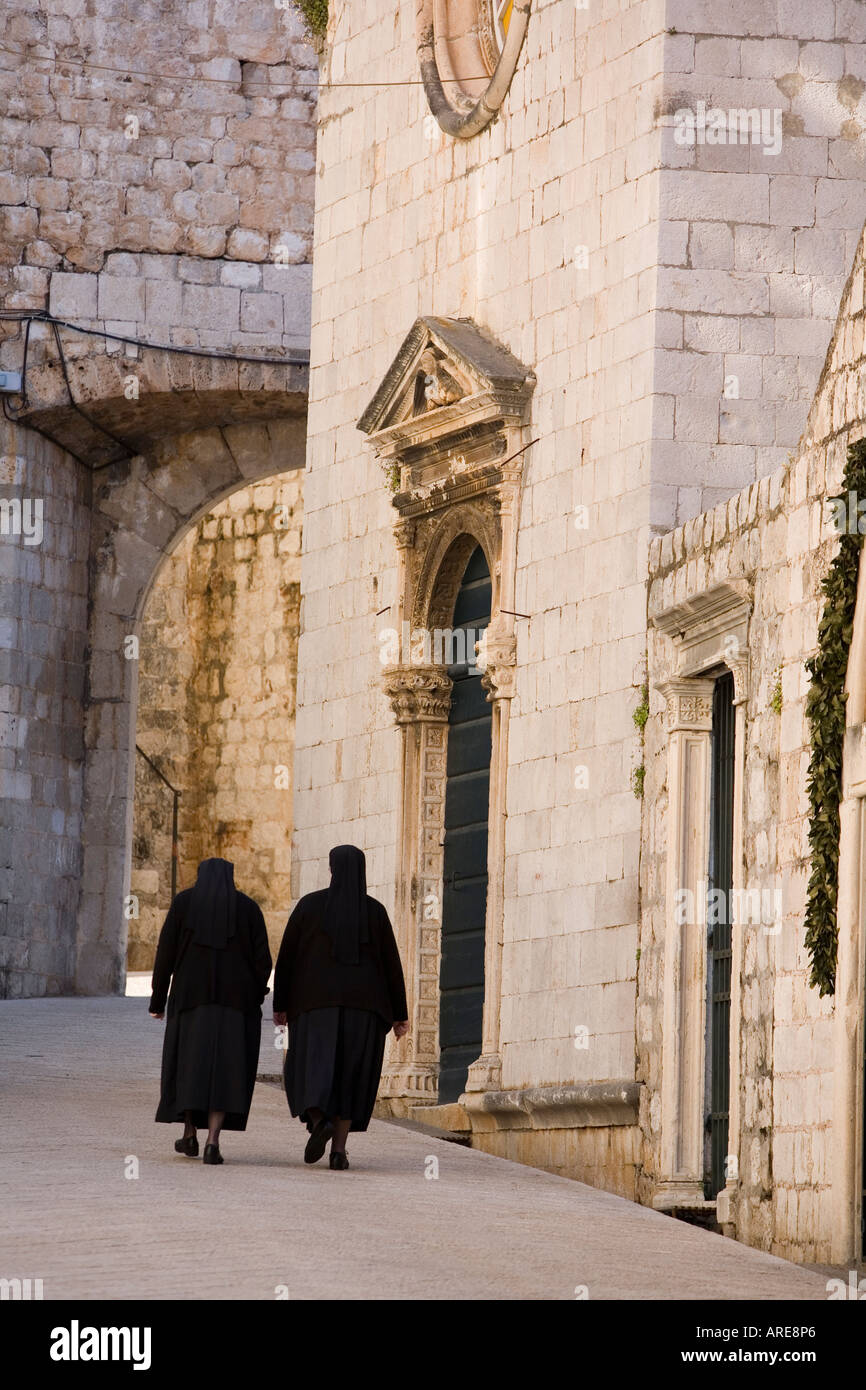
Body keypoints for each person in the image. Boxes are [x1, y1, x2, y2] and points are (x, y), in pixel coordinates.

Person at [273, 845, 409, 1170]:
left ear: (332, 869)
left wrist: (280, 1005)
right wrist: (399, 1015)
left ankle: (320, 1121)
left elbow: (287, 958)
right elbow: (392, 965)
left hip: (313, 1007)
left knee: (309, 1071)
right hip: (365, 1012)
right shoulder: (374, 912)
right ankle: (339, 1152)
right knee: (351, 1078)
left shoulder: (309, 907)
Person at [149, 857, 272, 1165]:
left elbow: (165, 954)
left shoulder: (184, 904)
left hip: (190, 1002)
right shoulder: (248, 908)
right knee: (226, 1072)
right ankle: (212, 1142)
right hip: (235, 1006)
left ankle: (189, 1132)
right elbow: (263, 962)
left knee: (189, 1068)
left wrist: (158, 1000)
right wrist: (256, 996)